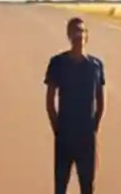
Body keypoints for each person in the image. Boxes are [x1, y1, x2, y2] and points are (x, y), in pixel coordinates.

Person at [44, 16, 106, 193]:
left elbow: (100, 100)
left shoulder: (96, 65)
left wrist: (94, 126)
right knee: (60, 185)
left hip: (86, 136)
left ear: (87, 35)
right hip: (64, 135)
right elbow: (50, 100)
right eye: (75, 31)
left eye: (82, 31)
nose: (79, 35)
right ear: (69, 35)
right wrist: (57, 128)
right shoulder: (57, 63)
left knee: (87, 185)